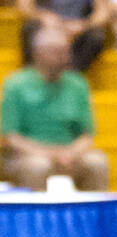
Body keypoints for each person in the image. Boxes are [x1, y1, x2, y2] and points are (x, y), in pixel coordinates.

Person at [1, 26, 108, 190]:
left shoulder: (78, 84)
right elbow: (10, 137)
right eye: (57, 51)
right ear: (38, 53)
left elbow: (87, 134)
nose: (65, 57)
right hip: (27, 155)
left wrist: (70, 154)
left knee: (97, 162)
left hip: (69, 154)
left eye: (66, 51)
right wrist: (50, 154)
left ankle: (93, 215)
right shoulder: (15, 84)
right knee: (38, 166)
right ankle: (37, 215)